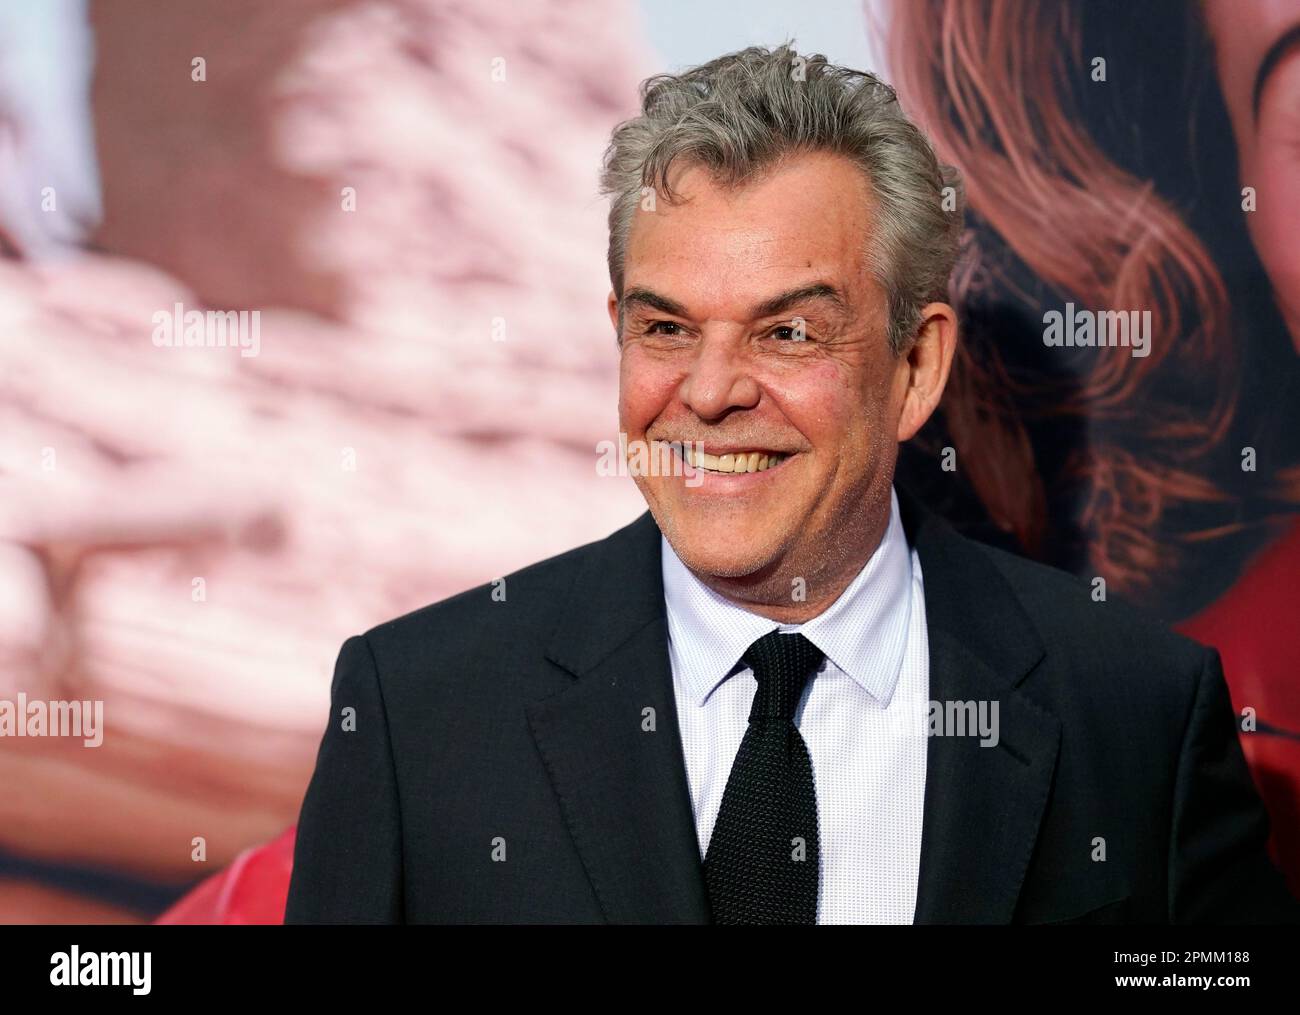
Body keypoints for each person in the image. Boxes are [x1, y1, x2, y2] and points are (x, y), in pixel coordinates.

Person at [283, 43, 1299, 924]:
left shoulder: (1136, 714)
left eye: (787, 331)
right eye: (667, 327)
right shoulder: (419, 716)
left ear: (915, 369)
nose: (711, 391)